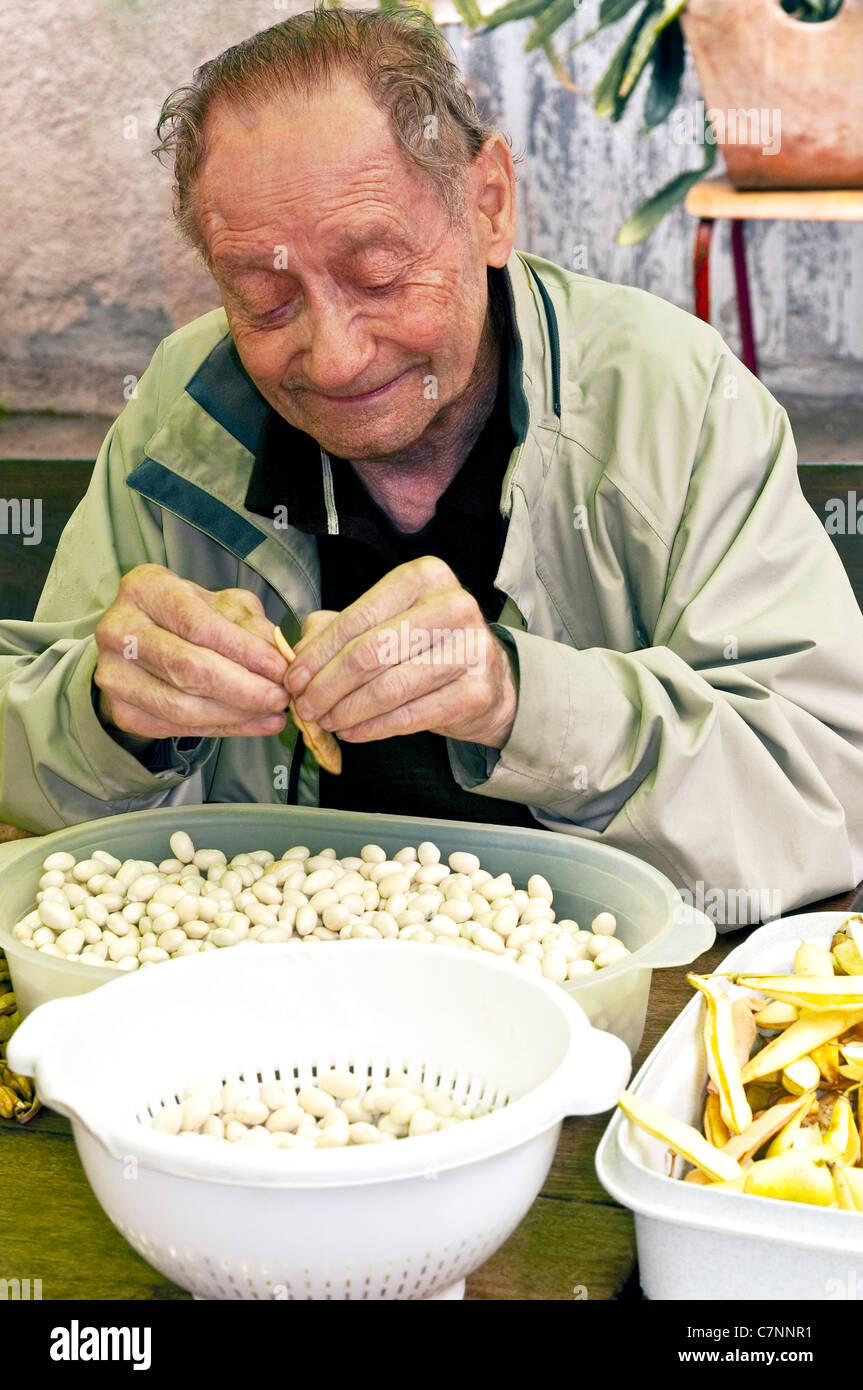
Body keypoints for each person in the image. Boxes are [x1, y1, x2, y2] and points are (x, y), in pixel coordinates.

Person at [1, 5, 861, 927]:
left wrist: (516, 701)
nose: (334, 359)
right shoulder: (187, 401)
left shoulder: (673, 398)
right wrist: (106, 712)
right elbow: (28, 765)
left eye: (377, 276)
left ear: (487, 203)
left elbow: (825, 796)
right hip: (265, 1016)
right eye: (263, 298)